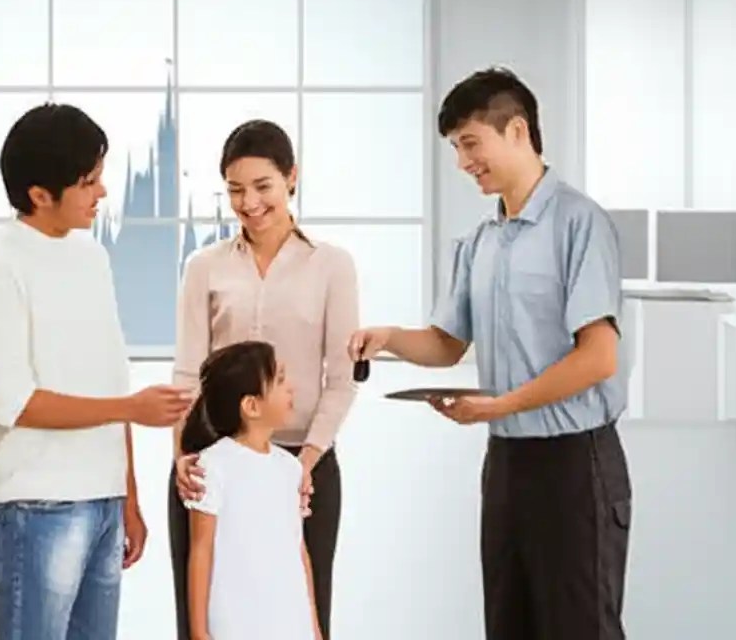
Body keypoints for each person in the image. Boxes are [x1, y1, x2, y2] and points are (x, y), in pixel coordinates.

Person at [349, 67, 631, 640]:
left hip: (576, 464)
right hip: (506, 466)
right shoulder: (481, 242)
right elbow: (448, 344)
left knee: (579, 628)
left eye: (471, 144)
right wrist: (388, 337)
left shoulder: (580, 223)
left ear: (518, 130)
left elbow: (599, 357)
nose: (463, 162)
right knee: (509, 624)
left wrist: (501, 406)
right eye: (456, 149)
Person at [0, 102, 193, 640]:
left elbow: (111, 378)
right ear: (40, 195)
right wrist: (131, 408)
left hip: (101, 504)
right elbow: (12, 403)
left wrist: (127, 499)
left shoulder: (92, 258)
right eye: (88, 182)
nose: (103, 193)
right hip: (35, 508)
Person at [169, 119, 359, 639]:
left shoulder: (331, 266)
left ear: (291, 178)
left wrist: (307, 463)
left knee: (301, 608)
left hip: (302, 462)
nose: (249, 202)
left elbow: (341, 380)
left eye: (262, 187)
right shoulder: (203, 266)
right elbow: (187, 372)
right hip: (213, 460)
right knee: (203, 614)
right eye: (235, 190)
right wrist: (181, 455)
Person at [181, 340, 323, 640]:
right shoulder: (212, 466)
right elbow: (201, 549)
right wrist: (198, 631)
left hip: (290, 625)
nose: (291, 389)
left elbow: (300, 551)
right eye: (280, 380)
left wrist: (314, 627)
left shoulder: (292, 469)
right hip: (237, 626)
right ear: (252, 406)